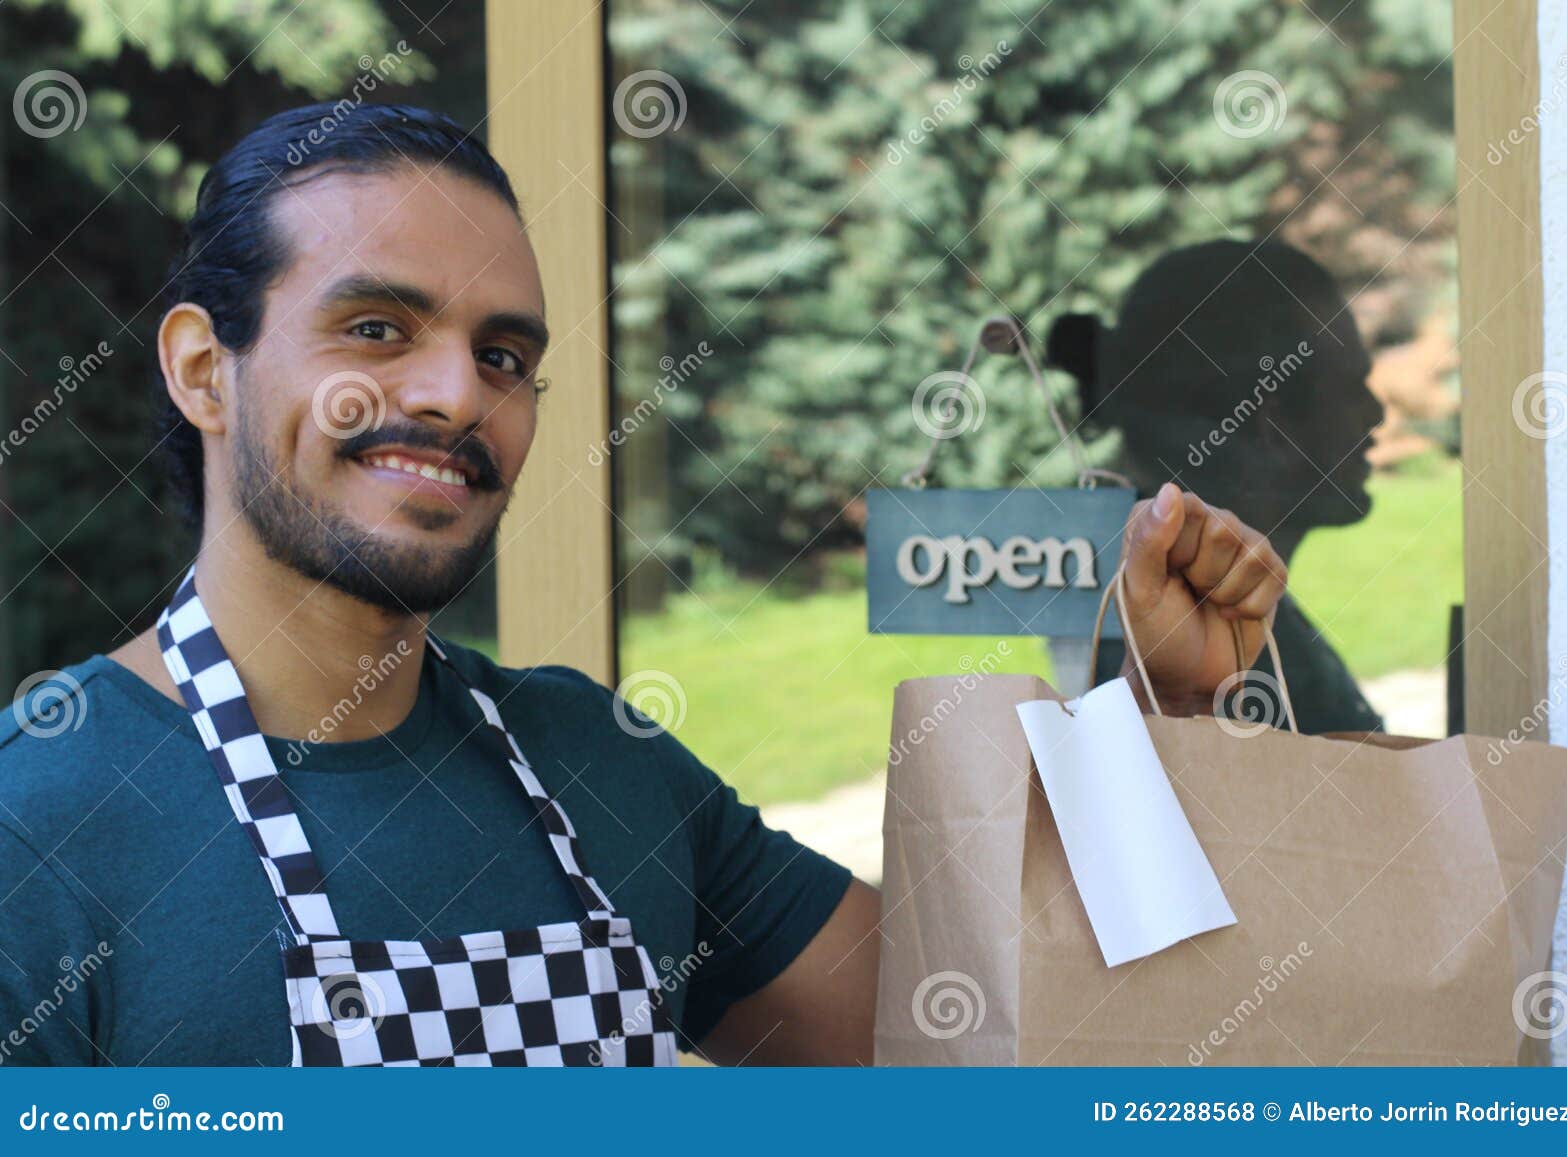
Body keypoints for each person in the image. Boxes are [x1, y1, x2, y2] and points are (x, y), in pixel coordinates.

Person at [0, 104, 1287, 1067]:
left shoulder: (597, 759)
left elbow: (1012, 1034)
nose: (457, 396)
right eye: (378, 329)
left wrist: (1158, 704)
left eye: (503, 354)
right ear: (201, 369)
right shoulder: (41, 821)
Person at [1046, 240, 1387, 735]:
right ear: (1275, 426)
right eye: (1353, 385)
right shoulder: (1182, 642)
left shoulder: (1226, 619)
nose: (1377, 413)